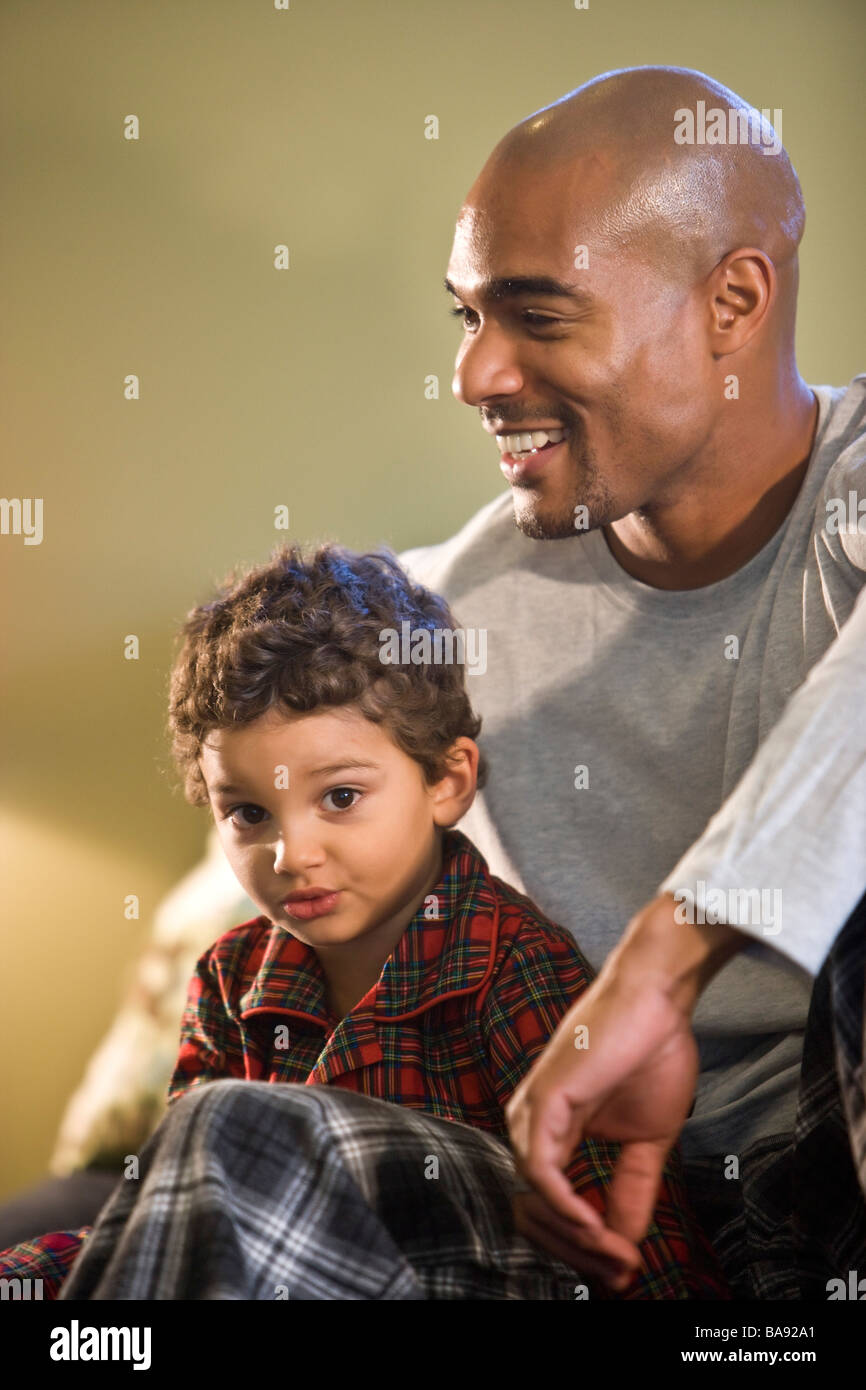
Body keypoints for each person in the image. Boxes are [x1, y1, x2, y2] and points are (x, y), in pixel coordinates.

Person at [23, 61, 866, 1301]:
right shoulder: (436, 623)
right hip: (567, 1214)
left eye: (536, 313)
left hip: (827, 1180)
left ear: (730, 299)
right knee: (236, 1139)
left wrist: (663, 957)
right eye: (468, 317)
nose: (475, 375)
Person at [0, 542, 725, 1299]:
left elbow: (637, 1242)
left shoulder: (517, 963)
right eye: (248, 813)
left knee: (236, 1124)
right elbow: (182, 1217)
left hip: (481, 1276)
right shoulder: (227, 978)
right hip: (308, 1277)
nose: (291, 854)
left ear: (446, 782)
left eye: (341, 797)